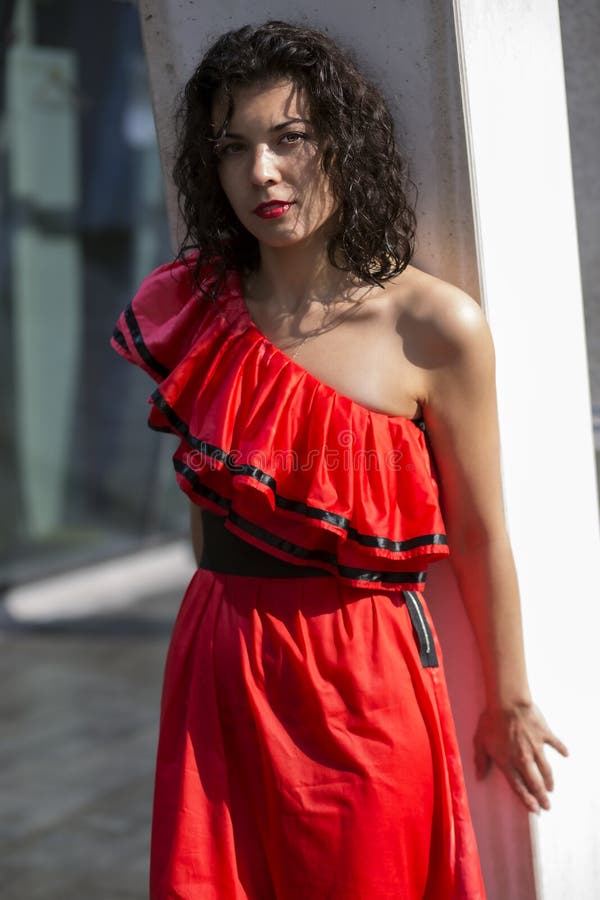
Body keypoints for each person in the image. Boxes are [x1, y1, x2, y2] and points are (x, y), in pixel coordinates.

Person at [110, 20, 568, 899]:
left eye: (290, 138)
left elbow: (480, 534)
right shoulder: (193, 307)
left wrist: (508, 697)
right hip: (218, 656)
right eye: (233, 147)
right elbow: (211, 517)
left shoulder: (433, 326)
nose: (262, 172)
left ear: (342, 143)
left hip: (361, 675)